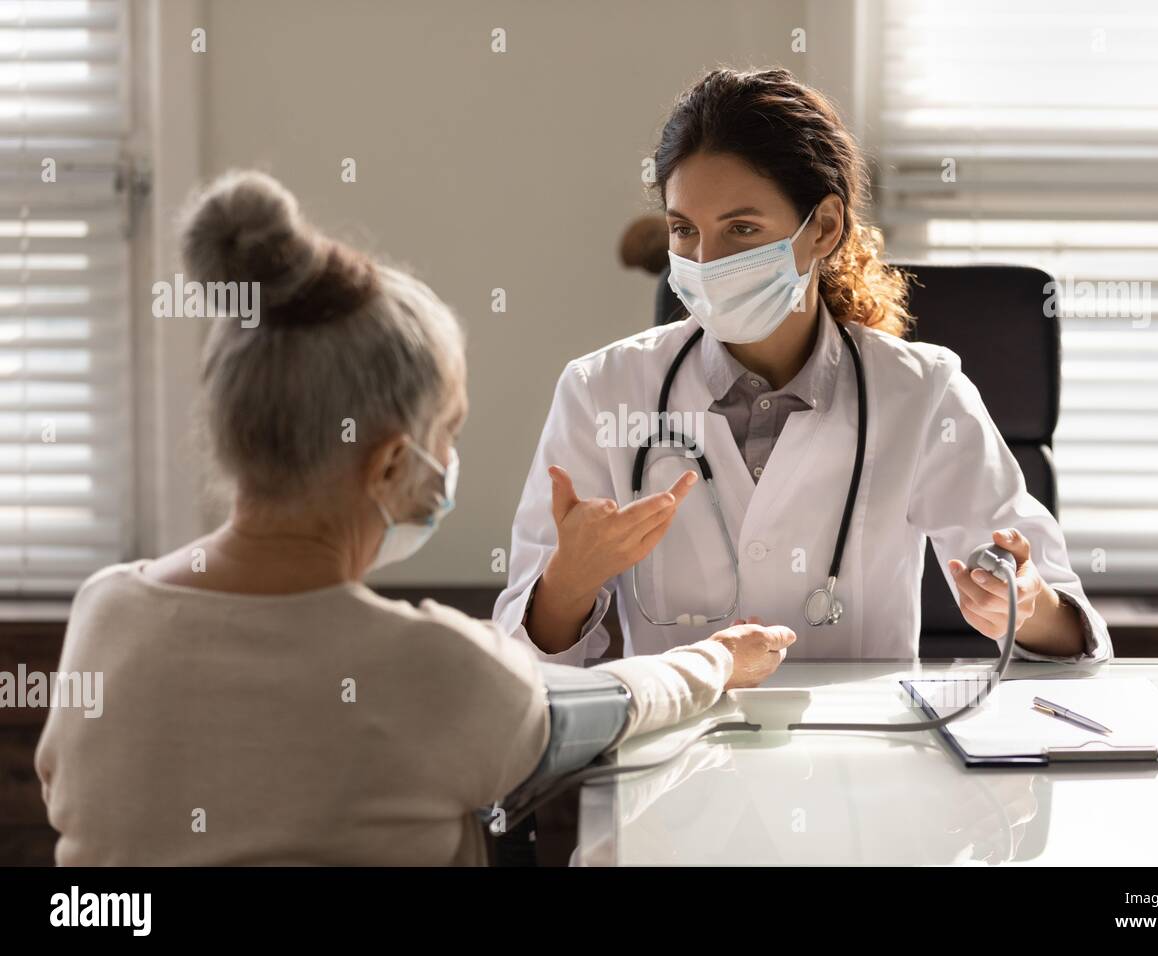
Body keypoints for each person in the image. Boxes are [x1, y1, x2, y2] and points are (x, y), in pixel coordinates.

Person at [35, 170, 795, 866]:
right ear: (394, 466)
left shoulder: (108, 613)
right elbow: (610, 707)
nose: (450, 459)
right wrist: (721, 658)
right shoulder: (431, 669)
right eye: (447, 435)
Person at [495, 67, 1112, 666]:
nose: (706, 261)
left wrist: (1024, 605)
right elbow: (523, 663)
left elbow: (1072, 635)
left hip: (861, 756)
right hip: (679, 751)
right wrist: (568, 585)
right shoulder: (601, 390)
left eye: (741, 228)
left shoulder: (921, 392)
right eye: (685, 230)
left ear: (822, 227)